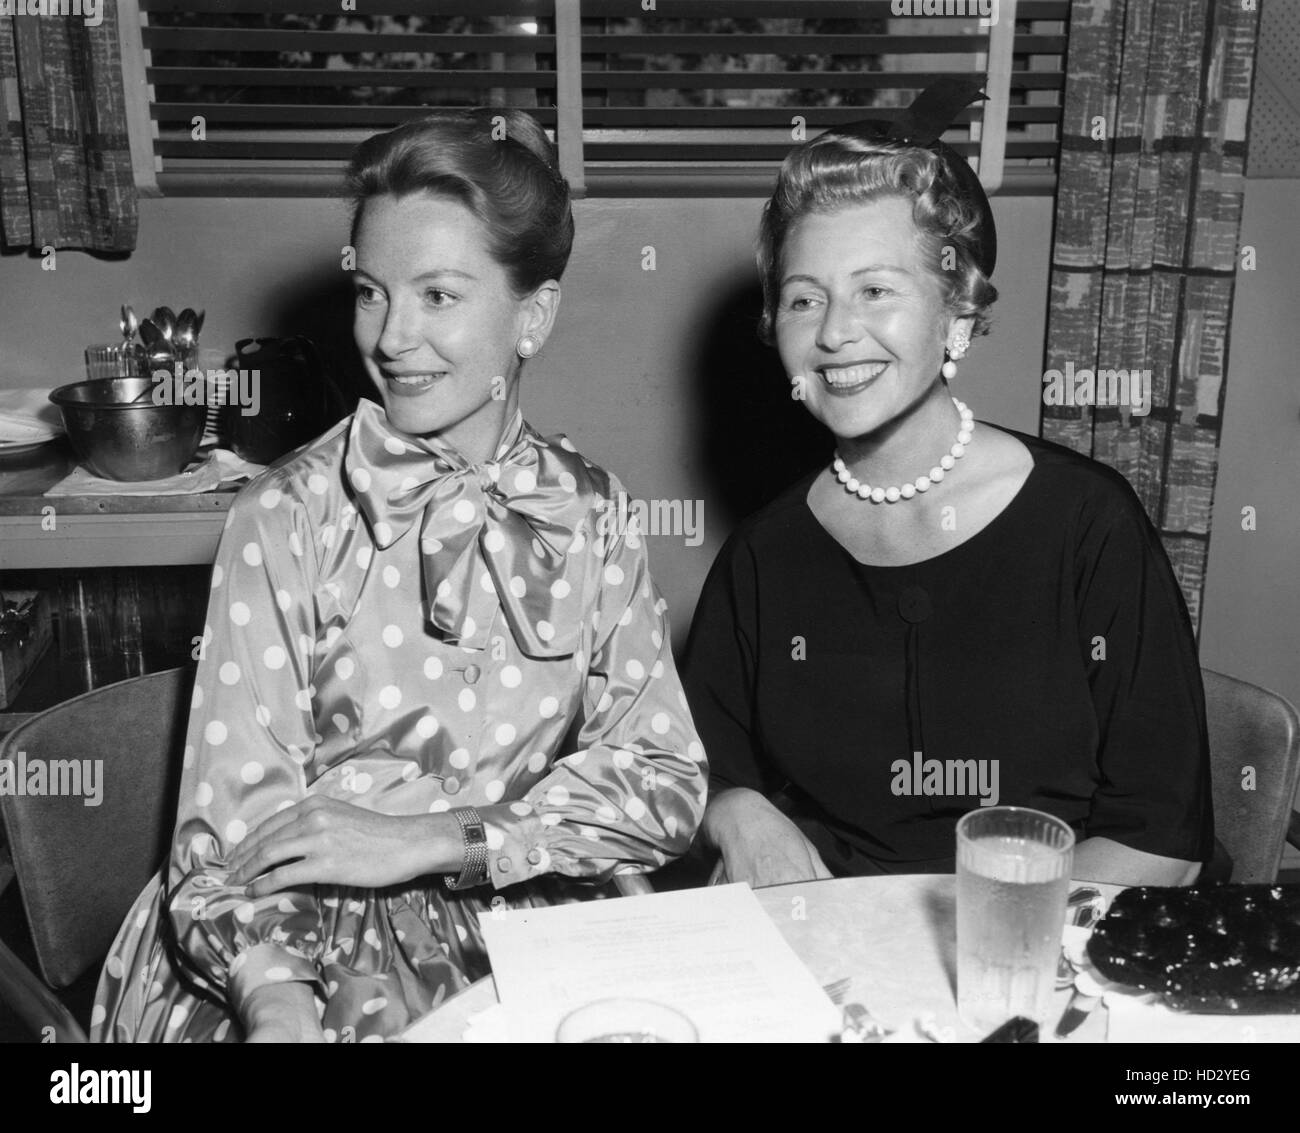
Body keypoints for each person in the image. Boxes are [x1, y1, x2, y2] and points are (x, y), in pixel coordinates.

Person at [92, 109, 706, 1043]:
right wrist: (278, 1003)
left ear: (532, 315)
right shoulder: (283, 517)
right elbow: (225, 833)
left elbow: (661, 782)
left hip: (519, 911)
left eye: (439, 296)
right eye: (372, 292)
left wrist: (444, 836)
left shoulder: (594, 512)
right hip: (289, 935)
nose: (391, 338)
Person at [682, 83, 1213, 891]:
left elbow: (1161, 838)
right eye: (803, 298)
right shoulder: (763, 555)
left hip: (1044, 947)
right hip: (831, 950)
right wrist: (735, 812)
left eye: (876, 289)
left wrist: (964, 957)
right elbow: (691, 773)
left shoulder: (1086, 524)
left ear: (957, 311)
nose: (832, 332)